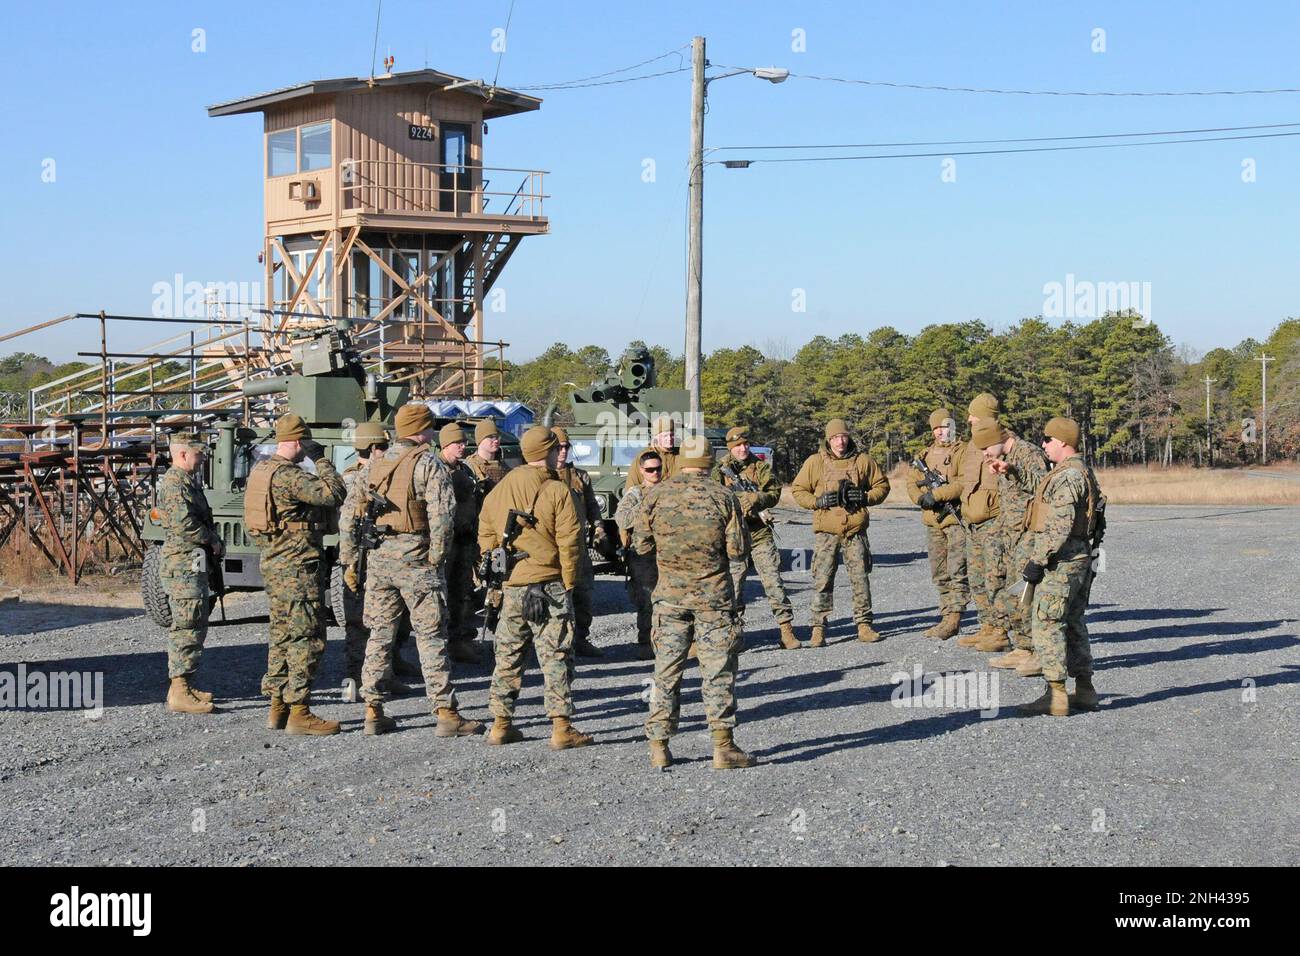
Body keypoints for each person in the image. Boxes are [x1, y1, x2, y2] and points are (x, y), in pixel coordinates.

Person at [358, 404, 483, 738]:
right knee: (430, 637)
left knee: (379, 634)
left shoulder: (375, 463)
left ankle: (373, 709)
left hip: (381, 560)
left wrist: (349, 560)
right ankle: (445, 712)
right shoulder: (429, 464)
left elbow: (351, 515)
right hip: (417, 560)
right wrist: (437, 559)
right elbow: (443, 518)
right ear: (423, 430)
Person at [636, 434, 753, 770]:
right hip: (713, 598)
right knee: (717, 672)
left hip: (669, 599)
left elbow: (641, 546)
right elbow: (737, 550)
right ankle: (722, 747)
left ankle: (659, 745)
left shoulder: (657, 495)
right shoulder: (724, 497)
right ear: (709, 460)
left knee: (666, 672)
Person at [478, 425, 593, 749]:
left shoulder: (501, 488)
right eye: (557, 449)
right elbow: (571, 541)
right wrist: (570, 582)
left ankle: (501, 725)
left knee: (507, 656)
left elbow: (486, 532)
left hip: (513, 585)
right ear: (549, 452)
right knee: (556, 656)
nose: (561, 454)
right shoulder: (558, 491)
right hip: (550, 584)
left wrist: (498, 568)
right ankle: (561, 728)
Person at [244, 414, 347, 735]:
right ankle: (300, 711)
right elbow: (334, 493)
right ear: (299, 441)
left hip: (275, 562)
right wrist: (321, 459)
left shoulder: (261, 471)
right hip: (298, 567)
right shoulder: (290, 476)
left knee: (281, 634)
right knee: (307, 637)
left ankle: (278, 706)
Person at [1016, 417, 1103, 717]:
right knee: (1075, 622)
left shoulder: (1069, 477)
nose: (1043, 444)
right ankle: (1086, 690)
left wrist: (1037, 561)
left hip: (1062, 561)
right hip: (1079, 558)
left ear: (1063, 441)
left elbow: (1060, 525)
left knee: (1048, 623)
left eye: (1048, 439)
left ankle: (1056, 695)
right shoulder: (1079, 471)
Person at [790, 418, 891, 646]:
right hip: (827, 532)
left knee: (860, 578)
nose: (840, 441)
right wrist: (817, 501)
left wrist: (866, 497)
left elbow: (882, 486)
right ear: (828, 439)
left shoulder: (863, 461)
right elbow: (798, 490)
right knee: (822, 579)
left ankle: (864, 624)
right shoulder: (815, 462)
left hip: (855, 531)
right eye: (835, 437)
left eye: (843, 436)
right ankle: (818, 627)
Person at [712, 426, 800, 650]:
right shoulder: (720, 470)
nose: (742, 449)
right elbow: (712, 497)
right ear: (730, 448)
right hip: (734, 536)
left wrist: (755, 499)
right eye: (737, 446)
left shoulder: (759, 467)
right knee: (733, 587)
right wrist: (735, 501)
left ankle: (786, 630)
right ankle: (735, 632)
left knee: (773, 582)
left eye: (745, 444)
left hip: (759, 533)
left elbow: (774, 493)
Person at [979, 418, 1051, 675]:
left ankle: (1037, 651)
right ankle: (1022, 645)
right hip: (1012, 534)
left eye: (985, 447)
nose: (984, 453)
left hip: (1030, 535)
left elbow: (1045, 488)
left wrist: (1014, 471)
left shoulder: (1028, 453)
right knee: (1012, 592)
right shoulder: (1002, 459)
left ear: (997, 440)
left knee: (1023, 594)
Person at [156, 432, 221, 714]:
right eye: (199, 452)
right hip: (183, 563)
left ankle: (185, 684)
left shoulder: (187, 482)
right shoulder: (174, 484)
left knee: (196, 621)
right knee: (187, 624)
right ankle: (180, 689)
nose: (203, 457)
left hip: (192, 561)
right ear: (183, 454)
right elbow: (185, 525)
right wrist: (212, 539)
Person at [939, 394, 1007, 649]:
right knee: (977, 578)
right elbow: (962, 483)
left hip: (995, 525)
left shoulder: (1004, 442)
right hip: (971, 524)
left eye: (973, 414)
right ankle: (987, 626)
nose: (968, 419)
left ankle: (1001, 631)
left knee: (996, 579)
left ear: (987, 416)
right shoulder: (970, 447)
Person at [337, 421, 390, 694]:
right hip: (360, 557)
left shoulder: (380, 473)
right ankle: (356, 679)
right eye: (383, 447)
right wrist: (348, 563)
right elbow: (346, 522)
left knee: (384, 620)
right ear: (373, 448)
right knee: (358, 621)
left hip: (381, 556)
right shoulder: (352, 478)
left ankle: (382, 675)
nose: (386, 451)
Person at [906, 409, 968, 640]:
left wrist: (939, 494)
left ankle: (955, 618)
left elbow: (964, 482)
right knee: (939, 572)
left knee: (957, 570)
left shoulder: (964, 451)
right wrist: (920, 498)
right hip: (933, 522)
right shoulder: (925, 454)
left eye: (945, 426)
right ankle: (946, 615)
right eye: (937, 427)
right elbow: (912, 481)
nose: (942, 431)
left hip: (955, 519)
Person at [552, 426, 605, 658]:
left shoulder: (579, 476)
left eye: (566, 447)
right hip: (553, 547)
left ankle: (580, 638)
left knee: (583, 594)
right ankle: (556, 642)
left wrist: (599, 527)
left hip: (579, 545)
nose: (563, 452)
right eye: (558, 448)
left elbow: (592, 506)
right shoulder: (543, 476)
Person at [438, 421, 487, 665]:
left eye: (464, 442)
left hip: (466, 540)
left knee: (462, 593)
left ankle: (458, 640)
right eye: (457, 443)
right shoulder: (436, 469)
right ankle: (438, 646)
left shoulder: (466, 470)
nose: (463, 446)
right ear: (445, 444)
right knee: (440, 597)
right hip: (445, 543)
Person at [614, 450, 662, 660]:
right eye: (650, 470)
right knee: (647, 601)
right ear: (642, 471)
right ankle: (646, 642)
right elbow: (622, 519)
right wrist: (647, 505)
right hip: (644, 556)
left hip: (668, 553)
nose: (655, 473)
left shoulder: (670, 490)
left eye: (658, 469)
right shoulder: (635, 494)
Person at [624, 415, 680, 490]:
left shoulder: (681, 454)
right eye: (665, 436)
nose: (669, 439)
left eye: (672, 435)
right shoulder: (644, 457)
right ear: (656, 436)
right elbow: (631, 487)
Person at [465, 419, 511, 497]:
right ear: (480, 440)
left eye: (497, 437)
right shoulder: (469, 467)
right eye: (491, 437)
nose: (496, 441)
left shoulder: (504, 467)